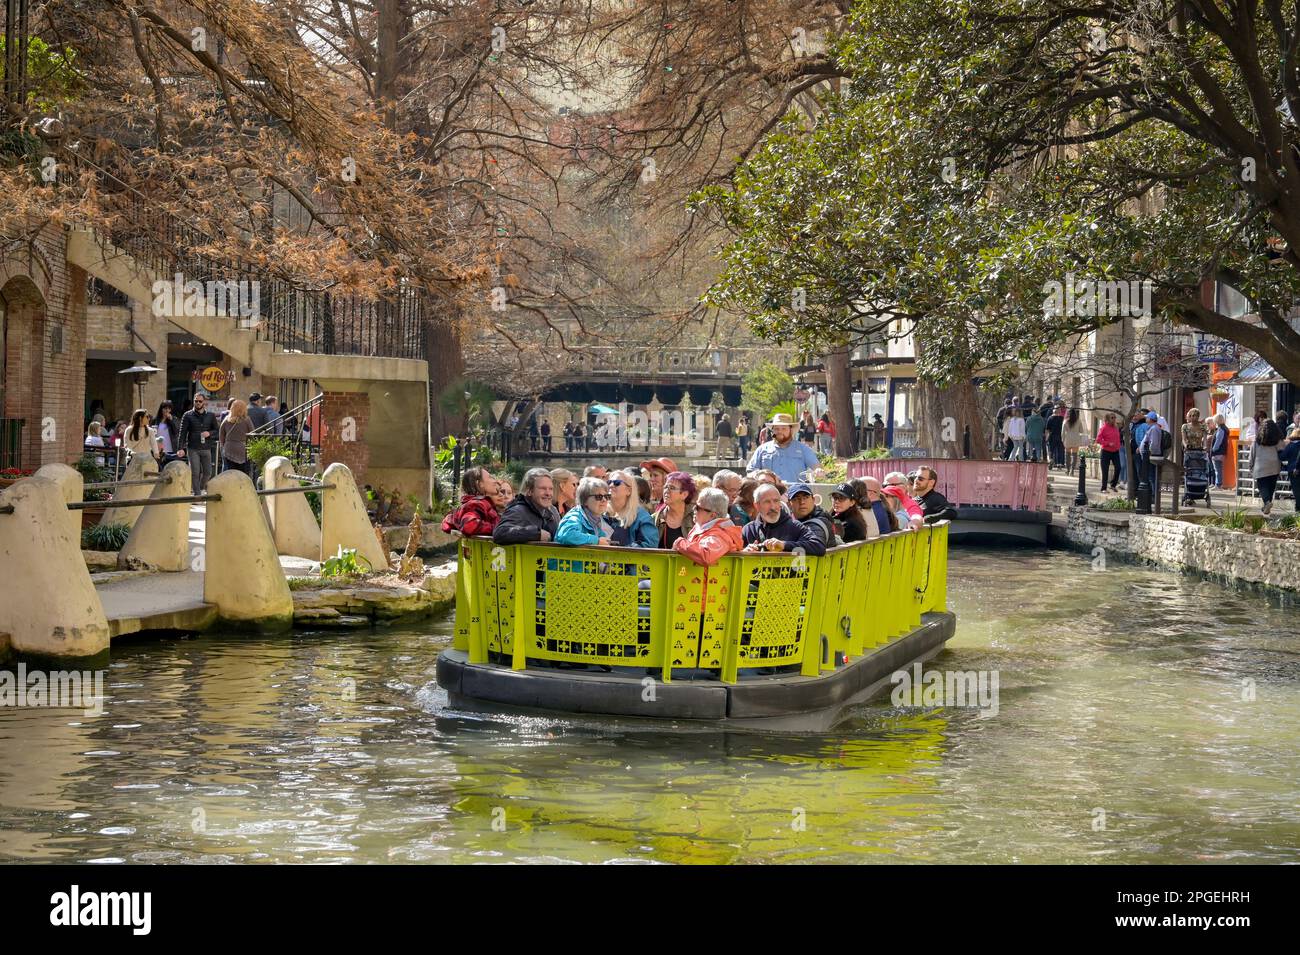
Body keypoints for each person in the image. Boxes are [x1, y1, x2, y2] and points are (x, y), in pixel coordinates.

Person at [741, 483, 826, 555]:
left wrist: (784, 545)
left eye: (776, 501)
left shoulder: (794, 526)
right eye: (767, 502)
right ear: (757, 505)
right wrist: (744, 552)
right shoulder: (748, 529)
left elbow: (819, 546)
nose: (773, 507)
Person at [673, 487, 745, 566]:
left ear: (712, 515)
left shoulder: (720, 535)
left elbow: (706, 555)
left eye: (698, 507)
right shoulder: (700, 528)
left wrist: (680, 543)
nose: (693, 509)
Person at [746, 412, 821, 482]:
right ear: (772, 431)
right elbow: (750, 472)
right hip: (769, 494)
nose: (779, 431)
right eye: (776, 429)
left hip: (795, 494)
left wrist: (818, 471)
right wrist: (758, 475)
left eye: (784, 428)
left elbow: (816, 467)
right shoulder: (762, 449)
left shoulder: (803, 449)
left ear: (791, 430)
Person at [492, 467, 560, 544]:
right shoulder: (518, 511)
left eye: (551, 489)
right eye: (543, 488)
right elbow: (500, 533)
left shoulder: (552, 511)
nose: (548, 493)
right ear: (529, 491)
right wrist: (536, 534)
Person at [177, 393, 218, 493]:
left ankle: (199, 488)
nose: (198, 403)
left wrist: (209, 433)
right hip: (193, 448)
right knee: (195, 472)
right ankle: (197, 494)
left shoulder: (210, 415)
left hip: (206, 447)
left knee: (208, 473)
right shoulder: (187, 415)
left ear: (204, 402)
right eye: (196, 401)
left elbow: (217, 430)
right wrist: (180, 448)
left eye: (200, 401)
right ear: (194, 402)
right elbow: (182, 432)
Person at [555, 477, 615, 546]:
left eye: (607, 496)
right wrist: (596, 540)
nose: (604, 500)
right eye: (599, 496)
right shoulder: (574, 516)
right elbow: (567, 535)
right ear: (585, 500)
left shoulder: (597, 520)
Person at [442, 466, 500, 537]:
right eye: (490, 477)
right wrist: (498, 529)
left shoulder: (472, 503)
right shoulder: (476, 504)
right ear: (479, 484)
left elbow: (448, 521)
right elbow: (469, 525)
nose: (495, 481)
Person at [607, 470, 657, 547]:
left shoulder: (642, 517)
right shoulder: (602, 514)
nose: (611, 485)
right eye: (609, 482)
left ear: (629, 491)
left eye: (617, 483)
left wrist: (620, 552)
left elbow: (649, 546)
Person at [654, 471, 696, 549]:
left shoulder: (696, 517)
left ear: (684, 495)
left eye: (672, 488)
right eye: (665, 487)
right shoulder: (655, 518)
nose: (666, 491)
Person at [1250, 419, 1284, 515]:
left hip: (1260, 466)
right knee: (1271, 487)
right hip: (1274, 466)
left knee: (1262, 486)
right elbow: (1282, 450)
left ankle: (1267, 503)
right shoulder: (1278, 440)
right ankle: (1266, 506)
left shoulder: (1257, 441)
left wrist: (1251, 466)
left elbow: (1252, 454)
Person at [787, 482, 838, 547]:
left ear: (813, 499)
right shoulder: (787, 520)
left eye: (806, 497)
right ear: (789, 504)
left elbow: (816, 546)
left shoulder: (820, 520)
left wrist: (784, 544)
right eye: (796, 499)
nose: (802, 502)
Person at [218, 399, 254, 475]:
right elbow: (252, 434)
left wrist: (223, 445)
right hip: (242, 450)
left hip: (228, 449)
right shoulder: (247, 420)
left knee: (229, 474)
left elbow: (221, 435)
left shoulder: (226, 419)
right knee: (243, 474)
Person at [1097, 412, 1122, 492]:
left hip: (1115, 452)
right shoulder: (1103, 428)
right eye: (1112, 417)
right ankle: (1103, 488)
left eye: (1115, 417)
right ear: (1107, 419)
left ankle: (1113, 485)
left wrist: (1118, 446)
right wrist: (1108, 443)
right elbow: (1098, 440)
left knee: (1118, 467)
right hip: (1106, 452)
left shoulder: (1116, 427)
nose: (1114, 419)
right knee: (1105, 470)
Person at [1063, 408, 1089, 472]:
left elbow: (1062, 432)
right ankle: (1072, 470)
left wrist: (1063, 439)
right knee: (1074, 455)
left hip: (1068, 439)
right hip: (1076, 439)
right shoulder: (1078, 421)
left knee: (1067, 455)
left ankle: (1068, 469)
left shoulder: (1065, 421)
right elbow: (1081, 431)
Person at [1208, 413, 1230, 489]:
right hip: (1222, 452)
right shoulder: (1225, 429)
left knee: (1217, 469)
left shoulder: (1220, 429)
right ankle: (1219, 484)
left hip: (1218, 452)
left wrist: (1213, 450)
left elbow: (1218, 441)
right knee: (1219, 469)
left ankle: (1218, 484)